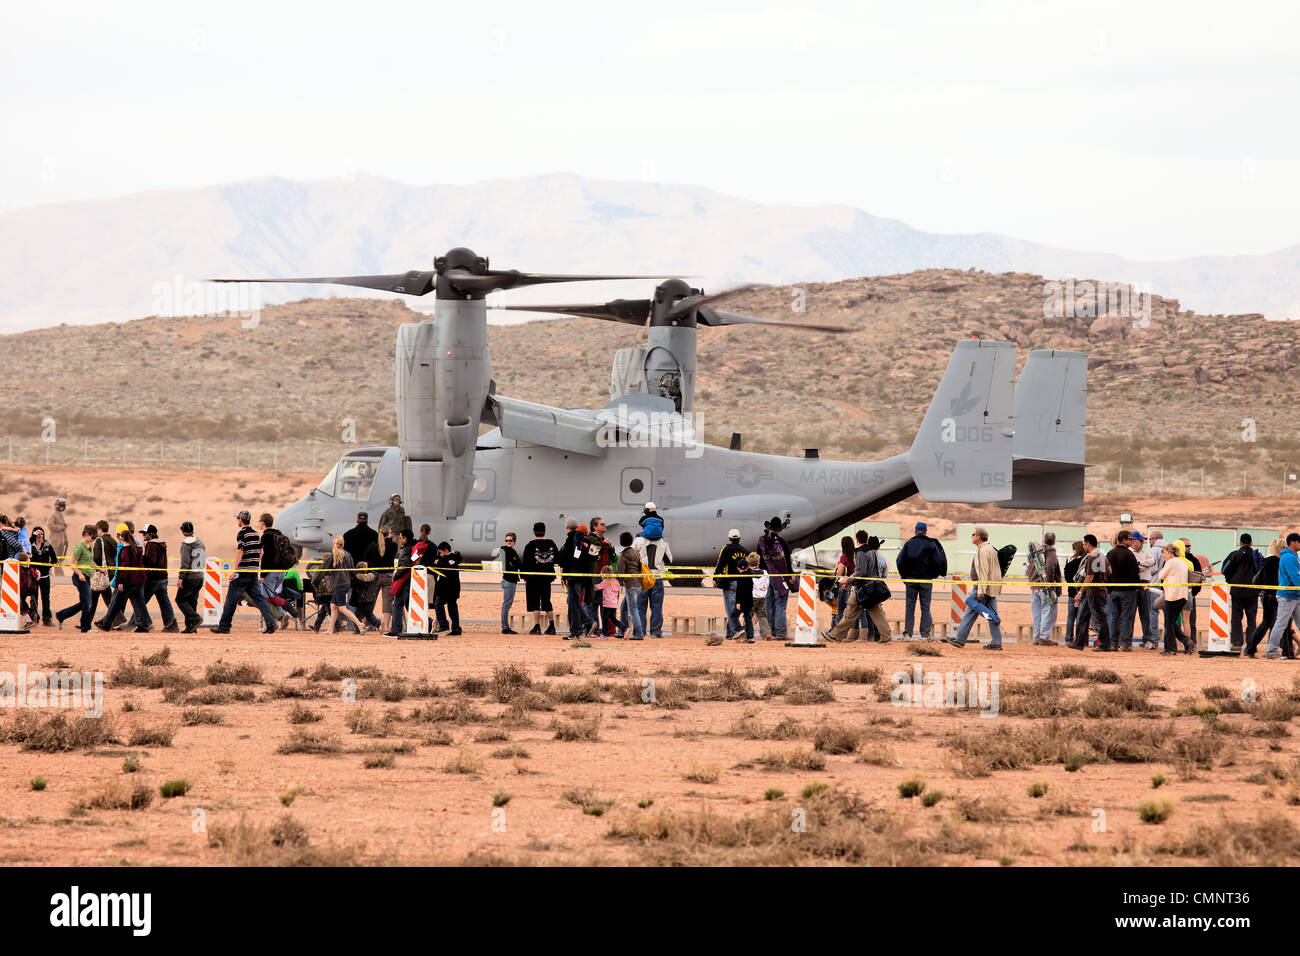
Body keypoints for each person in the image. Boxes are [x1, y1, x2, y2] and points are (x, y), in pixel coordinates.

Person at [212, 510, 279, 634]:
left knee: (231, 600)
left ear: (241, 520)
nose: (237, 520)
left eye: (238, 518)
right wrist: (256, 564)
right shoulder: (255, 534)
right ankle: (271, 622)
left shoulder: (242, 534)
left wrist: (234, 570)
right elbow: (261, 552)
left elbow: (240, 551)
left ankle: (224, 627)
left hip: (242, 572)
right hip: (253, 573)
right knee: (259, 599)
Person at [824, 531, 892, 643]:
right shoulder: (871, 551)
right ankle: (887, 637)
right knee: (877, 613)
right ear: (866, 538)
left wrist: (849, 580)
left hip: (863, 589)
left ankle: (835, 635)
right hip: (872, 587)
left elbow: (860, 572)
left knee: (849, 612)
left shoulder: (860, 552)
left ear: (857, 539)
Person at [944, 527, 1003, 650]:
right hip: (990, 588)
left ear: (979, 537)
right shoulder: (990, 549)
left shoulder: (983, 550)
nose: (971, 536)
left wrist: (981, 590)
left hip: (982, 588)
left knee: (970, 611)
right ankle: (996, 642)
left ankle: (959, 640)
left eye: (973, 534)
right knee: (991, 615)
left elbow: (983, 572)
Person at [896, 521, 947, 641]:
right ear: (925, 532)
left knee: (909, 607)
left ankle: (907, 634)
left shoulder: (909, 543)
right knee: (925, 607)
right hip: (925, 580)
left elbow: (899, 561)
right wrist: (933, 574)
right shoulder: (930, 544)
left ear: (915, 531)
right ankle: (925, 635)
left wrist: (905, 576)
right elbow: (939, 561)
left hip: (911, 580)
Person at [1247, 537, 1296, 658]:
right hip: (1273, 595)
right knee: (1273, 622)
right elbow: (1276, 580)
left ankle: (1286, 651)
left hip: (1270, 594)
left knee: (1274, 623)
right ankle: (1251, 648)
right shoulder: (1275, 561)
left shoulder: (1270, 560)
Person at [96, 524, 149, 632]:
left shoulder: (125, 550)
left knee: (115, 602)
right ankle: (143, 625)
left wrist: (121, 582)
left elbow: (124, 568)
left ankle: (106, 623)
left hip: (128, 581)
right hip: (139, 580)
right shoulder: (136, 549)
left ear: (121, 538)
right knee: (139, 603)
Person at [633, 517, 673, 639]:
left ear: (644, 528)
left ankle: (641, 631)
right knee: (656, 606)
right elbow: (670, 559)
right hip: (657, 578)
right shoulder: (663, 542)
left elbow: (631, 557)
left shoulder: (638, 541)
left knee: (640, 606)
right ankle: (655, 632)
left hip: (643, 578)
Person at [1220, 533, 1261, 651]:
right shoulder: (1257, 555)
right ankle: (1251, 644)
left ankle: (1237, 643)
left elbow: (1224, 570)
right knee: (1251, 619)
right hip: (1252, 592)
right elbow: (1261, 571)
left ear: (1240, 543)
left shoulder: (1234, 555)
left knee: (1236, 617)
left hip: (1237, 591)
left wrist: (1230, 580)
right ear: (1252, 542)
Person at [257, 513, 297, 630]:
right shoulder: (279, 534)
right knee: (272, 596)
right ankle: (282, 616)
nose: (259, 523)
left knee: (265, 599)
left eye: (259, 521)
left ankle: (270, 624)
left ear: (263, 522)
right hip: (282, 572)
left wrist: (262, 574)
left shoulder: (266, 537)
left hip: (271, 572)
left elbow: (266, 557)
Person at [757, 516, 793, 641]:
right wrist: (790, 575)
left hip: (765, 577)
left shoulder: (761, 541)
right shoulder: (781, 542)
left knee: (768, 604)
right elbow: (787, 561)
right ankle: (781, 633)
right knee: (780, 605)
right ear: (779, 529)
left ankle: (768, 631)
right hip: (779, 576)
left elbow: (759, 560)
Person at [138, 524, 180, 632]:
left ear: (150, 534)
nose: (143, 535)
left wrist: (140, 557)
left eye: (144, 533)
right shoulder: (162, 544)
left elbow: (150, 562)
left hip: (153, 579)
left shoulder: (151, 545)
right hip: (163, 577)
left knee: (140, 601)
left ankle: (142, 623)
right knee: (164, 601)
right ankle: (171, 624)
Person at [1265, 533, 1300, 660]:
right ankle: (1272, 650)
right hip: (1288, 595)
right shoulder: (1289, 558)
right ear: (1293, 542)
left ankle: (1272, 650)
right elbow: (1295, 577)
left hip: (1294, 595)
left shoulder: (1291, 556)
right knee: (1281, 623)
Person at [55, 524, 97, 631]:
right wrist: (80, 574)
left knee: (85, 602)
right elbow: (72, 563)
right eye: (93, 537)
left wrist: (99, 569)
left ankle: (61, 615)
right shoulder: (80, 546)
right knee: (87, 603)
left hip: (87, 576)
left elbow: (89, 560)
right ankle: (86, 627)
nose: (94, 539)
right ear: (87, 535)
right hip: (80, 578)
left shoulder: (90, 545)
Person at [1074, 534, 1111, 652]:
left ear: (1088, 544)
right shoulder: (1102, 555)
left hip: (1094, 592)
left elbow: (1089, 577)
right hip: (1100, 591)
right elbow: (1110, 570)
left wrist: (1080, 592)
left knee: (1100, 619)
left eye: (1084, 544)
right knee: (1084, 617)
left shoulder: (1092, 557)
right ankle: (1079, 642)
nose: (1084, 546)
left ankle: (1105, 644)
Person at [324, 535, 367, 635]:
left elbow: (325, 569)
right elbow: (352, 571)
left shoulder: (333, 555)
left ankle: (359, 625)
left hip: (339, 585)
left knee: (342, 608)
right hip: (345, 583)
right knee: (333, 606)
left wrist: (316, 579)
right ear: (343, 544)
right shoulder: (348, 555)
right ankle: (330, 629)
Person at [521, 522, 559, 635]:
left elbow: (525, 563)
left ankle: (537, 627)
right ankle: (552, 626)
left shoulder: (530, 546)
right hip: (546, 578)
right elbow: (556, 558)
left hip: (533, 578)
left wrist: (524, 576)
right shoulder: (551, 543)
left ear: (534, 532)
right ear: (544, 531)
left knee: (535, 602)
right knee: (547, 601)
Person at [1106, 530, 1140, 652]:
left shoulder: (1110, 553)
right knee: (1126, 617)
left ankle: (1113, 643)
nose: (1132, 541)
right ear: (1124, 540)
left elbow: (1107, 573)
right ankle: (1125, 643)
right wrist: (1137, 586)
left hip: (1113, 590)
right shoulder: (1129, 555)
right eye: (1130, 539)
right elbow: (1135, 573)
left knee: (1113, 617)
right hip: (1127, 591)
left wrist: (1109, 588)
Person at [1156, 542, 1191, 655]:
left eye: (1165, 553)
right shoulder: (1182, 562)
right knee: (1172, 623)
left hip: (1172, 596)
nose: (1164, 556)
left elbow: (1160, 575)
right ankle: (1186, 641)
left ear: (1171, 553)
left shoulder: (1170, 562)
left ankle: (1170, 649)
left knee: (1168, 623)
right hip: (1182, 596)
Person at [1027, 533, 1062, 645]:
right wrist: (1051, 585)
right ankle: (1044, 637)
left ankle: (1036, 638)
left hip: (1034, 587)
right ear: (1054, 541)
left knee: (1037, 615)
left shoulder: (1035, 552)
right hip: (1045, 588)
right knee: (1049, 613)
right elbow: (1050, 567)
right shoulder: (1050, 553)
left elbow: (1029, 569)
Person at [713, 529, 748, 639]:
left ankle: (736, 631)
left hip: (729, 582)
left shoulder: (727, 548)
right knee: (735, 608)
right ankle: (729, 633)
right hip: (742, 582)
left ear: (729, 538)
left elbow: (721, 563)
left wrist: (715, 577)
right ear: (739, 538)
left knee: (730, 608)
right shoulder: (744, 551)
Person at [176, 521, 206, 633]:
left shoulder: (186, 544)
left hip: (190, 577)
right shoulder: (200, 542)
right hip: (199, 576)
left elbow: (185, 563)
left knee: (180, 599)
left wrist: (181, 577)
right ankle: (191, 627)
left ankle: (195, 619)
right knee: (192, 601)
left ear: (183, 532)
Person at [384, 528, 416, 636]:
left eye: (401, 538)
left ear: (405, 539)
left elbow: (405, 566)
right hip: (408, 581)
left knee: (397, 605)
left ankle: (396, 630)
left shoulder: (406, 550)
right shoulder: (410, 548)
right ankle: (429, 623)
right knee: (408, 606)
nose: (400, 539)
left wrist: (396, 575)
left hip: (403, 582)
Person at [616, 532, 645, 640]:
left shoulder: (623, 556)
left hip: (630, 585)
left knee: (633, 610)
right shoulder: (636, 553)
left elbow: (620, 572)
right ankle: (622, 630)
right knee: (623, 608)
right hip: (638, 584)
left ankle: (638, 634)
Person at [1131, 532, 1158, 649]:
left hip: (1145, 585)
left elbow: (1152, 562)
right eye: (1140, 541)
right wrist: (1143, 564)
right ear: (1134, 541)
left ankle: (1148, 639)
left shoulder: (1145, 553)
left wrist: (1140, 563)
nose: (1142, 543)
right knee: (1129, 615)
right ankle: (1127, 638)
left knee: (1145, 615)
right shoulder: (1129, 553)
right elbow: (1134, 567)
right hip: (1133, 587)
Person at [369, 525, 396, 635]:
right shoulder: (393, 545)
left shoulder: (373, 545)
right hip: (388, 576)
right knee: (387, 602)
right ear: (389, 534)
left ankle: (366, 623)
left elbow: (367, 558)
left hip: (375, 575)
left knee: (370, 600)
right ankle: (387, 626)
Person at [27, 526, 57, 625]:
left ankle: (47, 619)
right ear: (34, 535)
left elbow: (54, 559)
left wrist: (47, 568)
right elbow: (27, 558)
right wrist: (33, 570)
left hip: (45, 576)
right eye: (38, 534)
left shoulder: (47, 545)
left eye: (42, 534)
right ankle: (34, 617)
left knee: (45, 597)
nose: (40, 536)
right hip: (33, 576)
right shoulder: (30, 545)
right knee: (33, 597)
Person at [431, 541, 462, 635]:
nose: (439, 555)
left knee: (439, 604)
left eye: (440, 553)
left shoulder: (450, 558)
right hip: (451, 588)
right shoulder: (453, 558)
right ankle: (456, 628)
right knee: (452, 607)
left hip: (447, 588)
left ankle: (444, 625)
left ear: (446, 550)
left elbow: (447, 569)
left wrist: (438, 562)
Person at [829, 536, 855, 630]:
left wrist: (838, 566)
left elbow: (839, 574)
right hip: (855, 586)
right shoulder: (856, 555)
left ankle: (840, 631)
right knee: (852, 610)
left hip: (844, 587)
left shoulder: (844, 558)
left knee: (841, 610)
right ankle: (852, 630)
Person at [1063, 540, 1085, 648]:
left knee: (1070, 617)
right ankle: (1079, 640)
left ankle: (1068, 639)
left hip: (1071, 592)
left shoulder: (1069, 560)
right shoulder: (1085, 561)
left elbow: (1067, 577)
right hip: (1082, 592)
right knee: (1081, 618)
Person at [499, 531, 521, 634]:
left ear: (514, 541)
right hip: (509, 580)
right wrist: (514, 562)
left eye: (510, 540)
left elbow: (518, 564)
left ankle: (505, 626)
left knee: (507, 604)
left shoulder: (512, 551)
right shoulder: (507, 550)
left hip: (510, 580)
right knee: (507, 604)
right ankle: (505, 627)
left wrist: (515, 563)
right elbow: (516, 564)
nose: (508, 542)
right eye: (506, 540)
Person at [733, 546, 756, 643]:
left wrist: (738, 602)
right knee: (748, 619)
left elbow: (740, 591)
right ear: (747, 566)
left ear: (738, 568)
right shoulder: (750, 575)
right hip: (749, 601)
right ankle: (750, 637)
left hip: (742, 602)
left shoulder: (740, 578)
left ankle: (739, 629)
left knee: (733, 615)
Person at [749, 553, 771, 639]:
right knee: (762, 616)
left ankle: (746, 633)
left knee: (748, 616)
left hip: (752, 597)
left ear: (749, 564)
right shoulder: (765, 572)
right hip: (762, 597)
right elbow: (767, 583)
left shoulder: (749, 574)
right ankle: (767, 633)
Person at [595, 569, 620, 637]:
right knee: (613, 619)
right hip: (614, 603)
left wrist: (590, 586)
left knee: (605, 619)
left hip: (607, 603)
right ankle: (625, 628)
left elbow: (597, 587)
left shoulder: (605, 581)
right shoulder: (616, 581)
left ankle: (604, 634)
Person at [46, 498, 68, 576]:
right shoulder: (53, 515)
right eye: (60, 505)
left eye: (63, 506)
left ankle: (59, 574)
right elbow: (50, 525)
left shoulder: (61, 515)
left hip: (61, 540)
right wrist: (60, 527)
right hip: (54, 540)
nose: (62, 507)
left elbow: (64, 529)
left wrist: (66, 540)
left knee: (59, 559)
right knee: (52, 557)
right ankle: (48, 573)